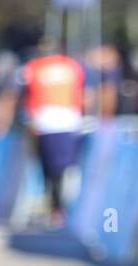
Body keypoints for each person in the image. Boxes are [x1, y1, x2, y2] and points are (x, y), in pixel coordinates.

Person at [19, 38, 87, 229]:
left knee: (49, 171)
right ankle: (64, 210)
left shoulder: (34, 67)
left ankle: (57, 210)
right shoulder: (73, 66)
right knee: (68, 168)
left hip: (45, 123)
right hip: (70, 122)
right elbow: (82, 95)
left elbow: (28, 97)